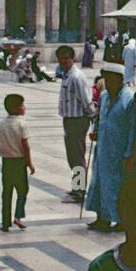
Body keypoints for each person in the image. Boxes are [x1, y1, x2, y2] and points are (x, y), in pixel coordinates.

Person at [85, 63, 134, 232]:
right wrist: (95, 131)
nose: (109, 84)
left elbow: (133, 128)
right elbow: (99, 118)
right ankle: (102, 217)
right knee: (99, 182)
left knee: (118, 185)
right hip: (103, 147)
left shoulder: (129, 98)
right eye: (107, 80)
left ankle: (121, 219)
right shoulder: (104, 96)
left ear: (120, 80)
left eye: (112, 80)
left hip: (119, 150)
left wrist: (130, 152)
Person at [0, 93, 34, 231]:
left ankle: (5, 222)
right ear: (15, 109)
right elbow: (26, 146)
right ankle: (18, 216)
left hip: (6, 163)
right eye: (22, 105)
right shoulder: (22, 124)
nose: (24, 108)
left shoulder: (0, 125)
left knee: (7, 192)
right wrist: (30, 163)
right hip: (19, 162)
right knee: (22, 190)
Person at [56, 44, 93, 205]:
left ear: (73, 58)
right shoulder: (66, 75)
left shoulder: (77, 77)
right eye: (61, 59)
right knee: (72, 155)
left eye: (66, 58)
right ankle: (76, 186)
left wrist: (92, 116)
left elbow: (86, 100)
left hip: (77, 120)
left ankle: (79, 191)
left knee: (77, 156)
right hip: (69, 119)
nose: (64, 61)